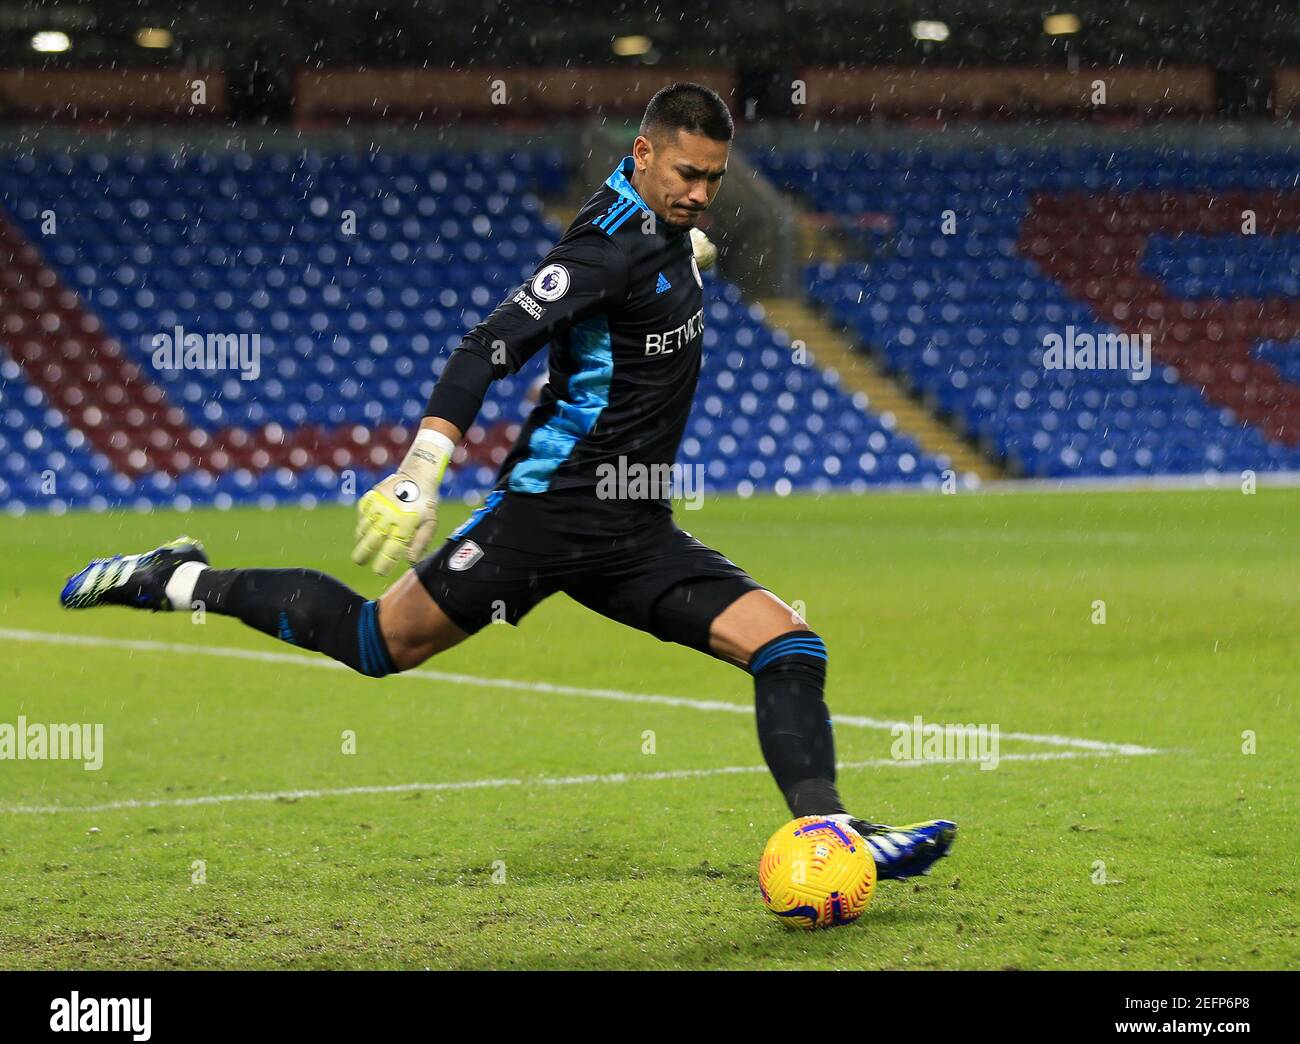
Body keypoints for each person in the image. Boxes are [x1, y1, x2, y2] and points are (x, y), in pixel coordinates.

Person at [61, 82, 956, 881]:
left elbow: (664, 277)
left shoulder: (673, 235)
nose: (699, 192)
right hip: (550, 509)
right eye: (685, 172)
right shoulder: (602, 250)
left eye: (714, 179)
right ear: (640, 153)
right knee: (379, 643)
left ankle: (830, 832)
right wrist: (421, 470)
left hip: (635, 527)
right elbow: (488, 346)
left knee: (790, 647)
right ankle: (177, 576)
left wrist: (687, 253)